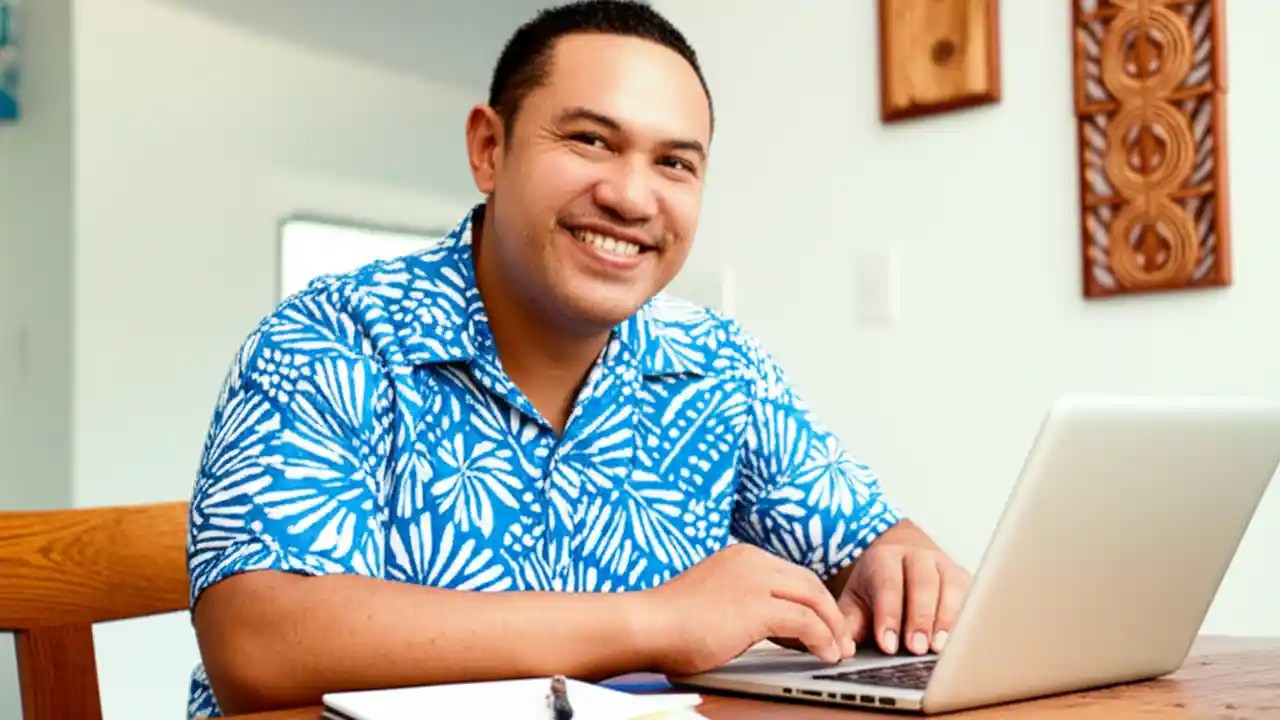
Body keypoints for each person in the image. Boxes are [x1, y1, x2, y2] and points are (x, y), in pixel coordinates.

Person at [185, 1, 971, 717]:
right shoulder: (326, 338)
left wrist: (900, 566)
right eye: (591, 140)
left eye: (674, 163)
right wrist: (657, 620)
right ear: (489, 149)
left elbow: (869, 543)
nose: (632, 196)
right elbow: (258, 644)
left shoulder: (720, 366)